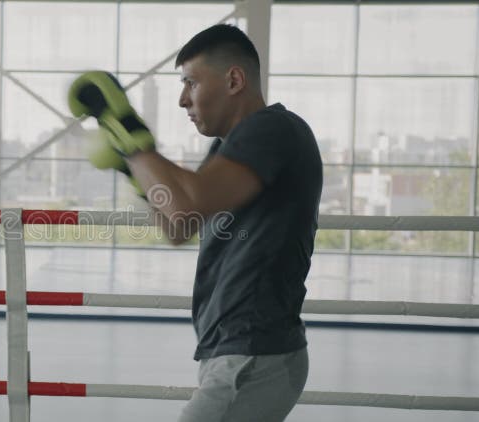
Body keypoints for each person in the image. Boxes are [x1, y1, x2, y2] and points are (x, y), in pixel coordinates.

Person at [68, 24, 322, 421]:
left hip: (254, 355)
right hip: (237, 351)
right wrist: (135, 170)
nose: (182, 99)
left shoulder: (271, 130)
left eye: (191, 83)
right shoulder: (230, 147)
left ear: (234, 79)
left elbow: (189, 207)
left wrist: (129, 134)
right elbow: (178, 226)